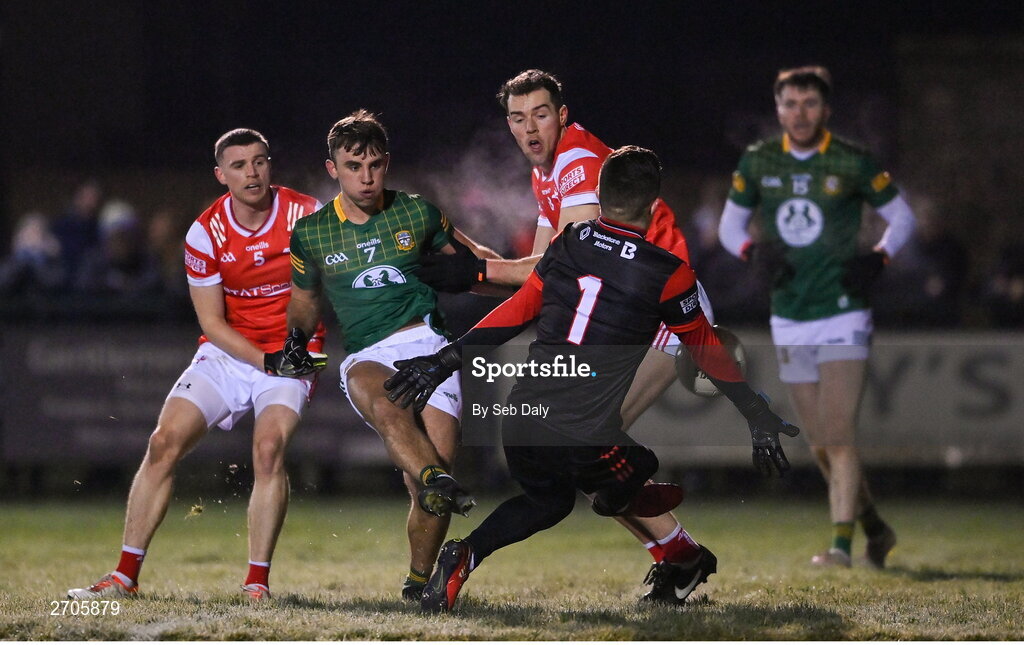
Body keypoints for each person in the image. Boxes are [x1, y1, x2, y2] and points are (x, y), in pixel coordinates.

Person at [385, 146, 800, 613]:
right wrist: (757, 414)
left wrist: (445, 359)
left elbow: (516, 312)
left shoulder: (569, 243)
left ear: (599, 194)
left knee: (549, 502)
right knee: (636, 463)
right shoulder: (669, 274)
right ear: (653, 204)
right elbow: (708, 350)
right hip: (583, 434)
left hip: (522, 419)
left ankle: (466, 552)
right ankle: (621, 499)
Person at [418, 69, 717, 604]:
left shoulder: (578, 163)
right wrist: (468, 265)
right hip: (621, 318)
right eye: (517, 117)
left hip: (660, 312)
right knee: (584, 453)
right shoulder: (549, 173)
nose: (529, 128)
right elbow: (538, 280)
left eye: (539, 114)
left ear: (562, 115)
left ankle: (679, 555)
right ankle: (679, 555)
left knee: (587, 446)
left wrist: (473, 273)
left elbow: (557, 271)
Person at [67, 129, 326, 601]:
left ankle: (256, 584)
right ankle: (124, 577)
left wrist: (295, 349)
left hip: (293, 354)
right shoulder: (204, 232)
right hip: (231, 353)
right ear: (221, 175)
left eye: (260, 161)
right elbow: (211, 320)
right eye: (240, 164)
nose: (252, 172)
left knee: (268, 450)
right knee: (163, 442)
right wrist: (264, 359)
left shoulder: (307, 214)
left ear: (270, 165)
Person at [718, 66, 913, 568]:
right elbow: (729, 224)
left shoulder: (851, 160)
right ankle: (876, 528)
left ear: (825, 111)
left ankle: (841, 547)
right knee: (821, 446)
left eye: (809, 104)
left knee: (838, 435)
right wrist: (749, 252)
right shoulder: (760, 161)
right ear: (778, 108)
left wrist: (879, 257)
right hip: (789, 314)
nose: (799, 113)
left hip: (843, 312)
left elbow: (903, 217)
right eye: (790, 103)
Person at [281, 110, 477, 601]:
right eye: (353, 166)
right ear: (333, 169)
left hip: (431, 345)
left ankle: (416, 585)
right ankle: (437, 478)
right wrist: (295, 340)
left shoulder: (419, 213)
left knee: (428, 488)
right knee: (394, 414)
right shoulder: (312, 233)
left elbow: (473, 264)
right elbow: (304, 305)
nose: (365, 178)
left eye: (373, 165)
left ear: (386, 163)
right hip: (368, 354)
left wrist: (533, 277)